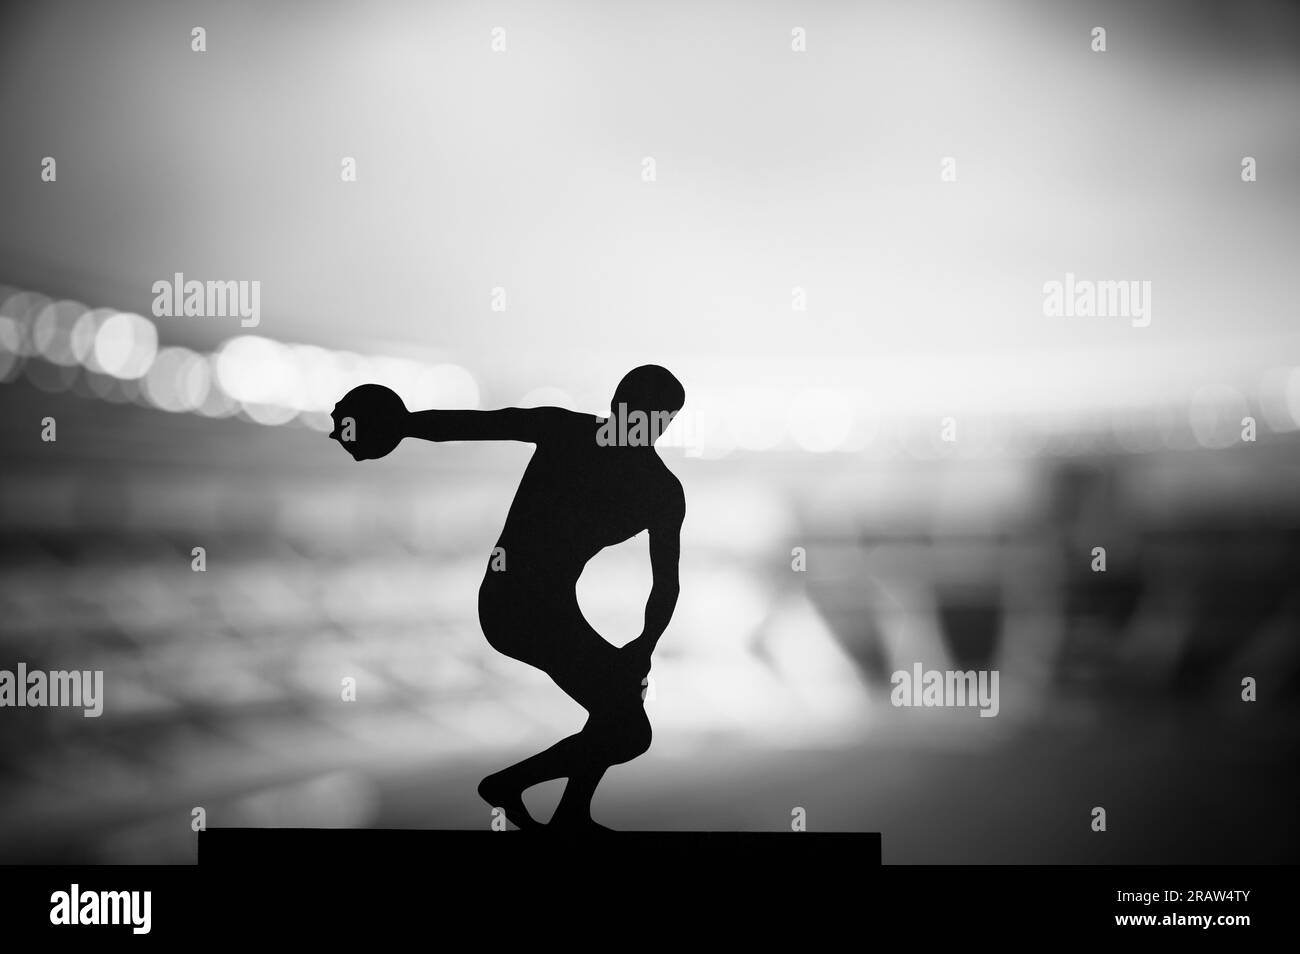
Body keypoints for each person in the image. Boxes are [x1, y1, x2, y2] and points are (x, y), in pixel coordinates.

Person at [330, 365, 686, 830]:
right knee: (625, 725)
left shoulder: (648, 482)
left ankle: (565, 810)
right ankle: (513, 789)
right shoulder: (636, 475)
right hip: (513, 605)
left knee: (623, 722)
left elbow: (666, 584)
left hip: (539, 606)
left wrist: (644, 646)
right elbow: (479, 424)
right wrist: (405, 423)